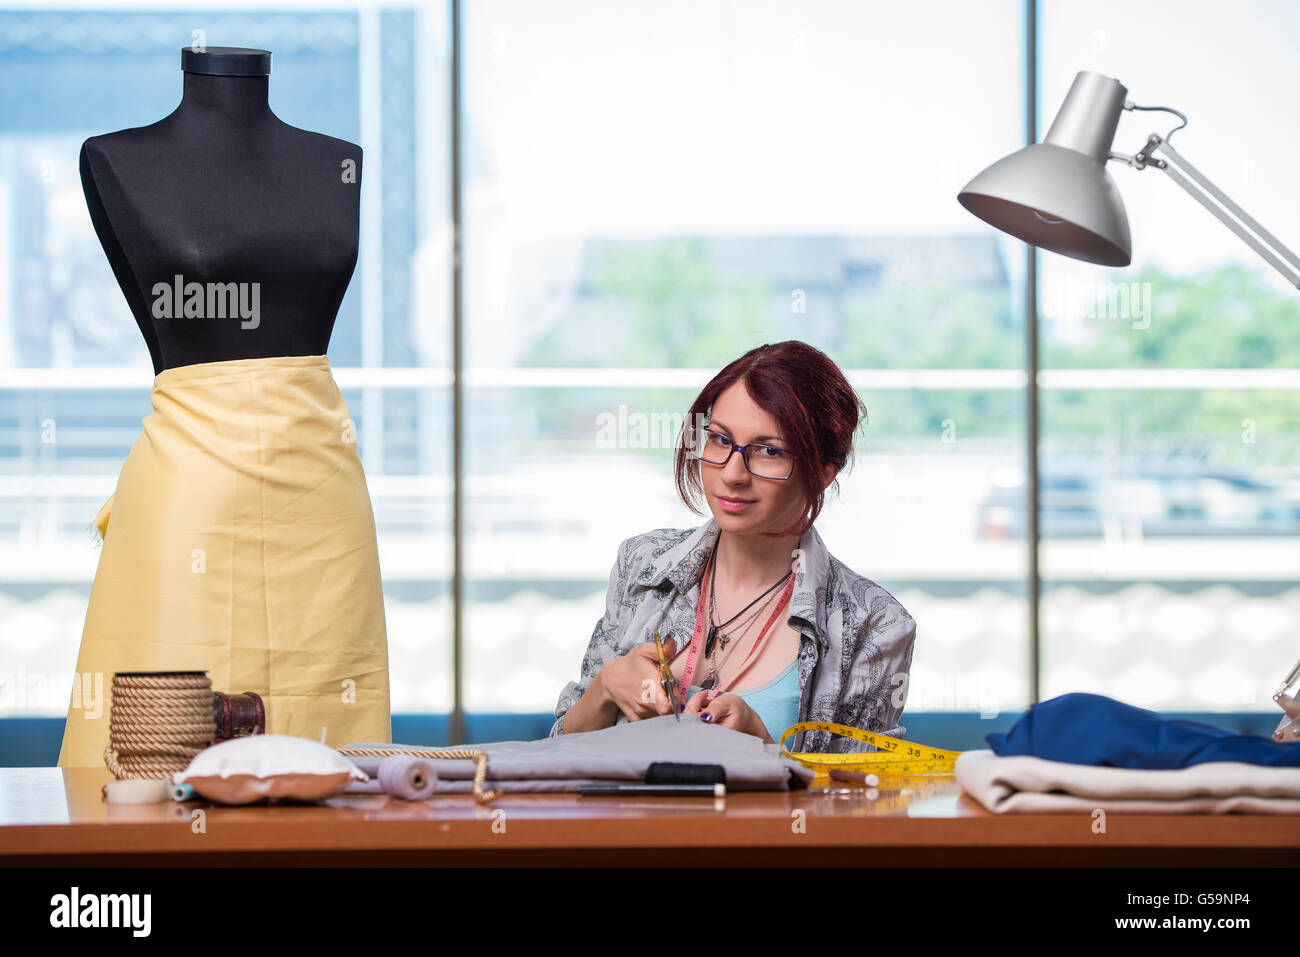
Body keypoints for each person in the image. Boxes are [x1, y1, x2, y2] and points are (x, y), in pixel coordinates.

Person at [551, 340, 916, 755]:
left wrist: (766, 752)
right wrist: (606, 687)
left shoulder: (876, 625)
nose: (733, 474)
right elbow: (556, 754)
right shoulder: (642, 566)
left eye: (769, 451)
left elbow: (870, 803)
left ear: (824, 472)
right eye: (721, 440)